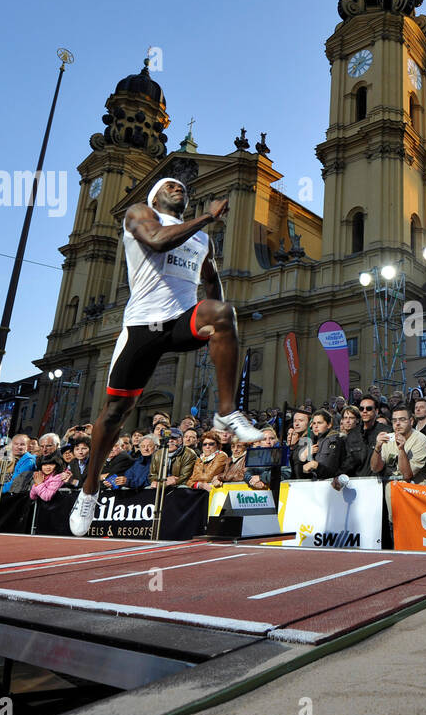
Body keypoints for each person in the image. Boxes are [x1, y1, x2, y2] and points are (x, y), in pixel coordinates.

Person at [69, 177, 262, 536]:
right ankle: (90, 487)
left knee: (222, 312)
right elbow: (157, 242)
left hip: (180, 323)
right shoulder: (138, 213)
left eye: (183, 188)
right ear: (154, 195)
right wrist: (206, 218)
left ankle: (226, 413)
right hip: (143, 327)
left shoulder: (202, 238)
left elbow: (211, 279)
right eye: (170, 185)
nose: (179, 189)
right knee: (115, 413)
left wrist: (217, 315)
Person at [370, 404, 426, 482]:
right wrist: (377, 448)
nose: (398, 423)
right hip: (391, 489)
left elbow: (407, 475)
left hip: (411, 489)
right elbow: (375, 468)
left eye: (402, 419)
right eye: (394, 420)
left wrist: (401, 450)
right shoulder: (388, 438)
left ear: (411, 421)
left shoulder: (420, 440)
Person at [298, 410, 344, 480]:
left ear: (329, 425)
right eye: (314, 423)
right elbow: (301, 474)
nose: (316, 426)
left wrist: (315, 465)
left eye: (319, 423)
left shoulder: (334, 440)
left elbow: (331, 471)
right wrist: (304, 456)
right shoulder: (313, 441)